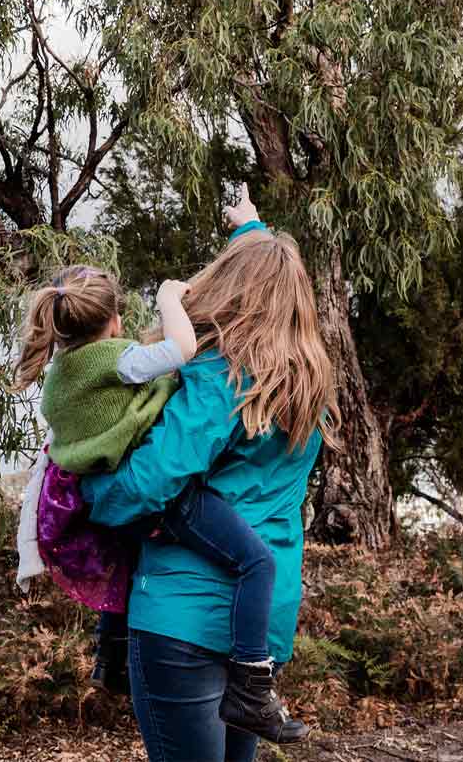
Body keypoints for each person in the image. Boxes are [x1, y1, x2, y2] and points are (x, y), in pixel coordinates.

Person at [81, 188, 339, 761]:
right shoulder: (306, 388)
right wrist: (251, 228)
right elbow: (267, 274)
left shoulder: (220, 378)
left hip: (184, 620)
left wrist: (84, 490)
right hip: (260, 626)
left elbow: (147, 482)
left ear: (232, 290)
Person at [14, 256, 307, 744]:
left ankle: (109, 647)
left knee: (126, 553)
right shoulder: (124, 361)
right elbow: (181, 353)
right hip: (184, 558)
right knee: (255, 560)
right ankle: (254, 685)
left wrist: (250, 232)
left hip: (127, 529)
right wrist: (169, 297)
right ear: (114, 321)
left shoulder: (61, 374)